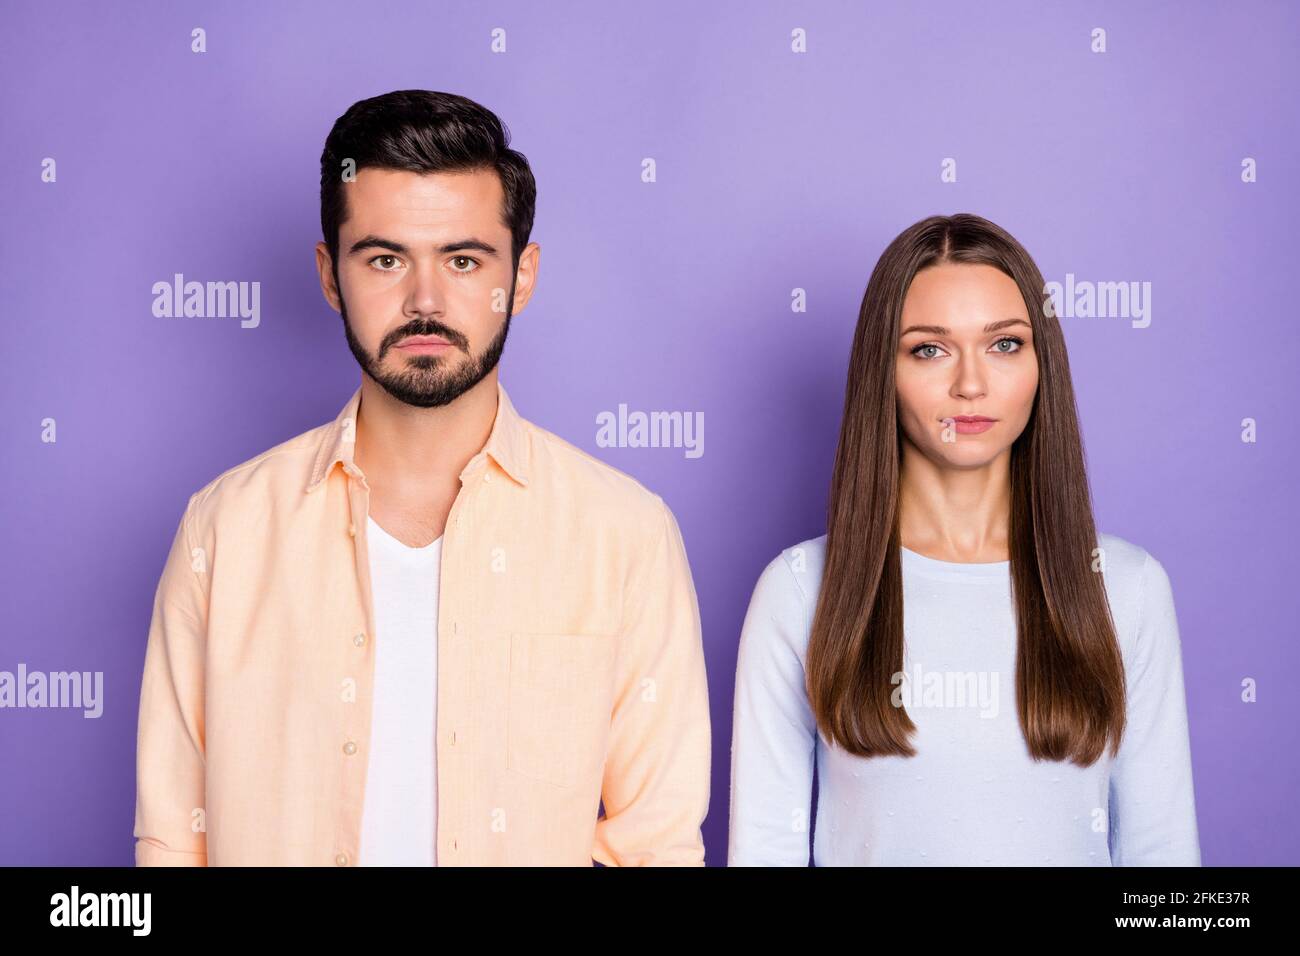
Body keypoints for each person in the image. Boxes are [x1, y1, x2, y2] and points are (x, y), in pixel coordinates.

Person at [134, 90, 710, 867]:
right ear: (330, 275)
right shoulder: (225, 531)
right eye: (384, 259)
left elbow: (655, 844)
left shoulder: (626, 535)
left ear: (525, 274)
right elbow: (173, 838)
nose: (426, 302)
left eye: (464, 260)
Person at [728, 213, 1199, 866]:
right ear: (882, 372)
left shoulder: (1127, 587)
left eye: (1004, 344)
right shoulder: (800, 590)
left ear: (1042, 363)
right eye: (930, 348)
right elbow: (765, 850)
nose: (971, 384)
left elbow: (1163, 860)